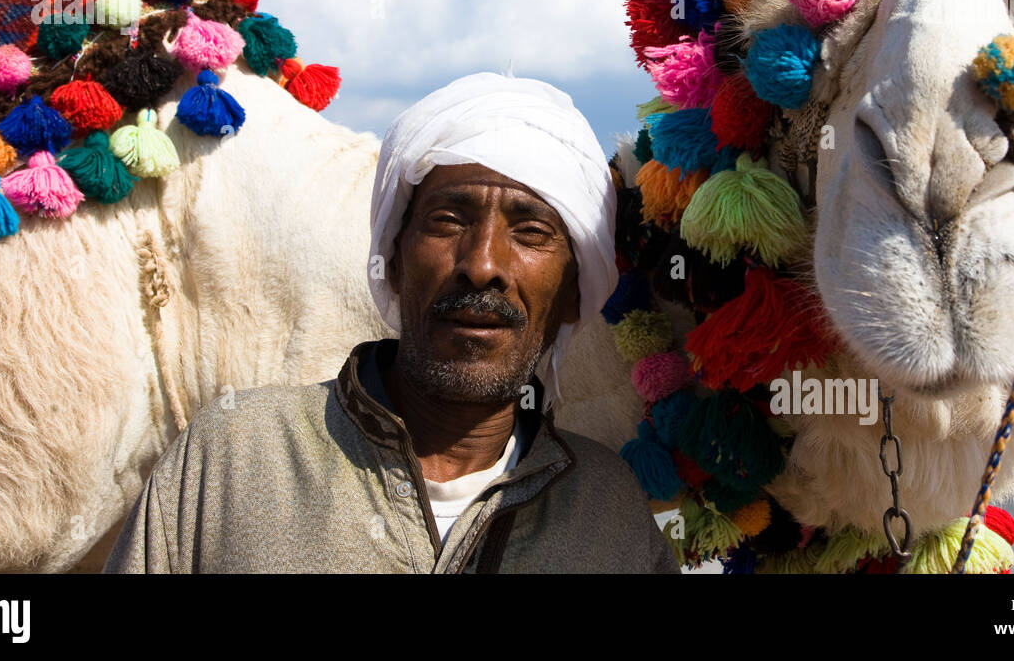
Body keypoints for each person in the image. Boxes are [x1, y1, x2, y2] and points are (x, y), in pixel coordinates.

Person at [103, 72, 679, 573]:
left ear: (575, 292)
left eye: (530, 233)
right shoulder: (231, 457)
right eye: (449, 220)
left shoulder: (610, 514)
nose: (481, 266)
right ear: (395, 257)